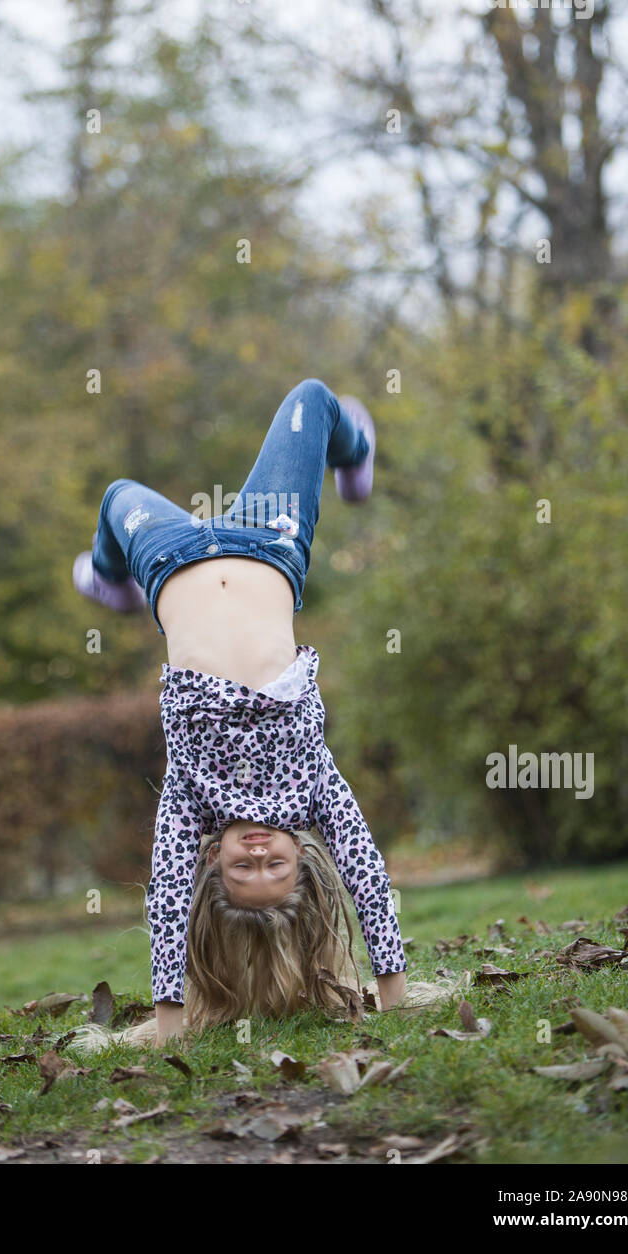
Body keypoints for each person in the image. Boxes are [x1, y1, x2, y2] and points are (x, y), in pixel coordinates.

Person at [71, 378, 407, 1047]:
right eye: (273, 868)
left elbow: (166, 904)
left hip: (168, 561)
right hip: (268, 541)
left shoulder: (190, 801)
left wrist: (168, 1025)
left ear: (213, 862)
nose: (257, 855)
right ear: (302, 865)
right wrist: (392, 994)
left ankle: (112, 582)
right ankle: (356, 450)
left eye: (242, 869)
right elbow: (368, 877)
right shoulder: (314, 786)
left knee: (115, 496)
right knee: (312, 397)